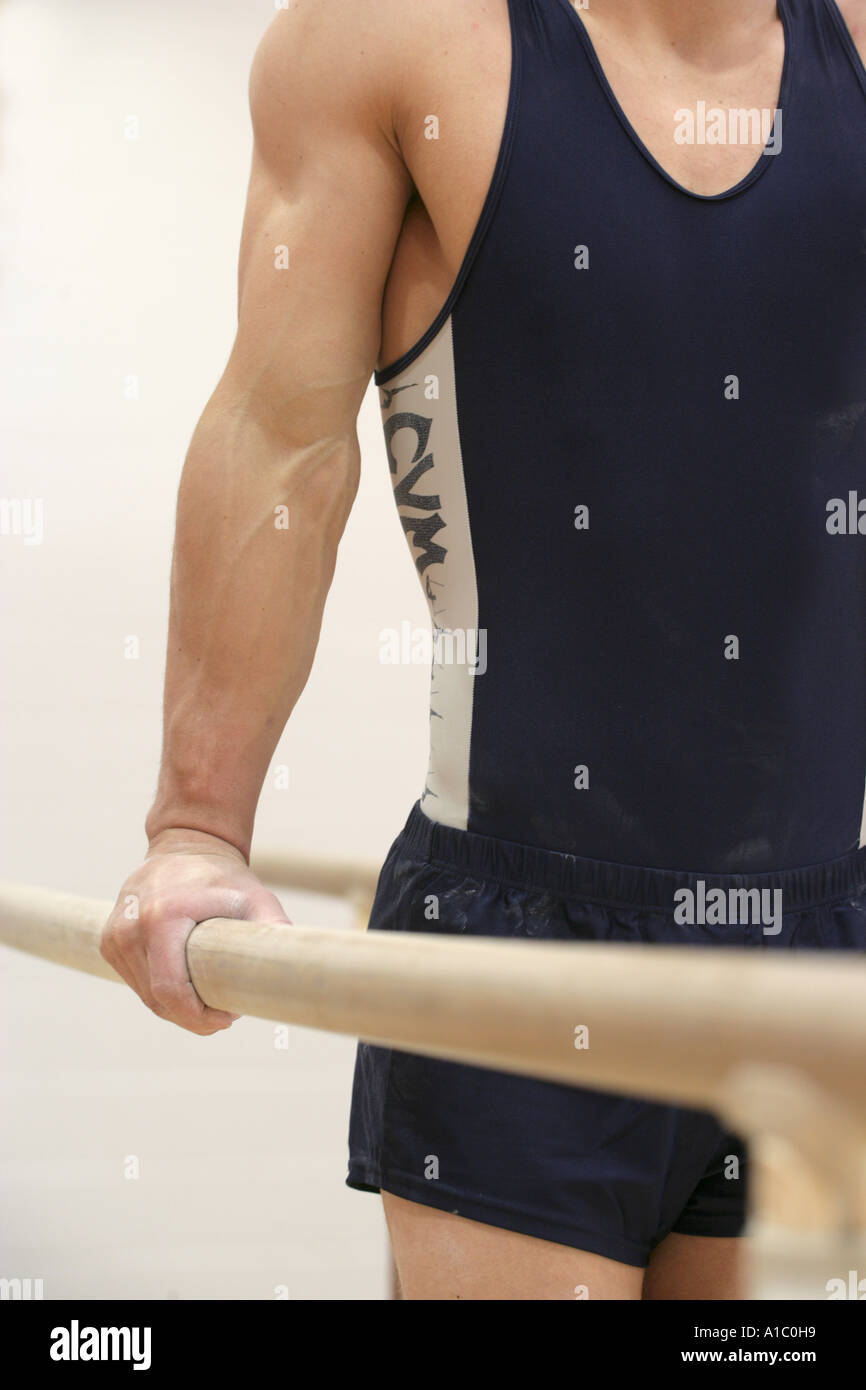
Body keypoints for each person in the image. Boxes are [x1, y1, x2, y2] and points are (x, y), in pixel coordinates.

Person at [101, 0, 866, 1300]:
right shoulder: (394, 39)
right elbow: (281, 433)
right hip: (513, 945)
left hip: (813, 938)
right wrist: (196, 828)